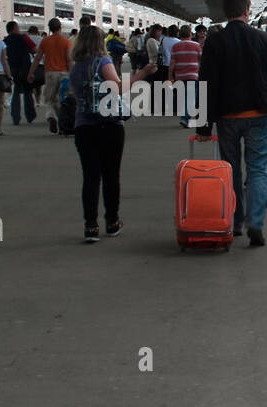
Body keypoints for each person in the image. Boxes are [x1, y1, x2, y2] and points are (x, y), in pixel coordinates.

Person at [199, 0, 267, 247]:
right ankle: (255, 223)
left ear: (226, 12)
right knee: (258, 170)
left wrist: (205, 124)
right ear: (247, 10)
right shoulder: (264, 39)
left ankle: (235, 222)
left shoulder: (215, 41)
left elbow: (206, 84)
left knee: (230, 169)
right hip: (259, 115)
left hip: (227, 117)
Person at [67, 26, 156, 242]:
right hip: (109, 126)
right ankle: (112, 221)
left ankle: (90, 226)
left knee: (90, 177)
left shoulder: (76, 67)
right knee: (110, 175)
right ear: (100, 42)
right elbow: (117, 87)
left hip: (84, 127)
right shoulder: (103, 62)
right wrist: (142, 74)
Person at [30, 18, 73, 131]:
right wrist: (72, 74)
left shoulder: (45, 41)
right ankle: (62, 121)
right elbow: (69, 60)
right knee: (62, 98)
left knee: (50, 98)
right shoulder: (66, 41)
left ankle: (51, 116)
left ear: (50, 29)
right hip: (64, 74)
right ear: (60, 27)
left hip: (50, 73)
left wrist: (31, 72)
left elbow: (37, 58)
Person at [3, 21, 37, 125]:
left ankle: (15, 117)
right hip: (25, 68)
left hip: (12, 69)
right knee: (27, 92)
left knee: (16, 92)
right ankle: (30, 115)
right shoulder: (24, 37)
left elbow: (4, 55)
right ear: (15, 28)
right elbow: (34, 49)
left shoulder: (5, 40)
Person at [168, 25, 202, 128]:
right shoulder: (197, 45)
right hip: (193, 75)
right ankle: (185, 118)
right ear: (190, 34)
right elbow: (201, 60)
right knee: (191, 97)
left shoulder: (175, 46)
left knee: (183, 98)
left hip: (180, 76)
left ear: (180, 34)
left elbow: (172, 63)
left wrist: (170, 77)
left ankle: (186, 116)